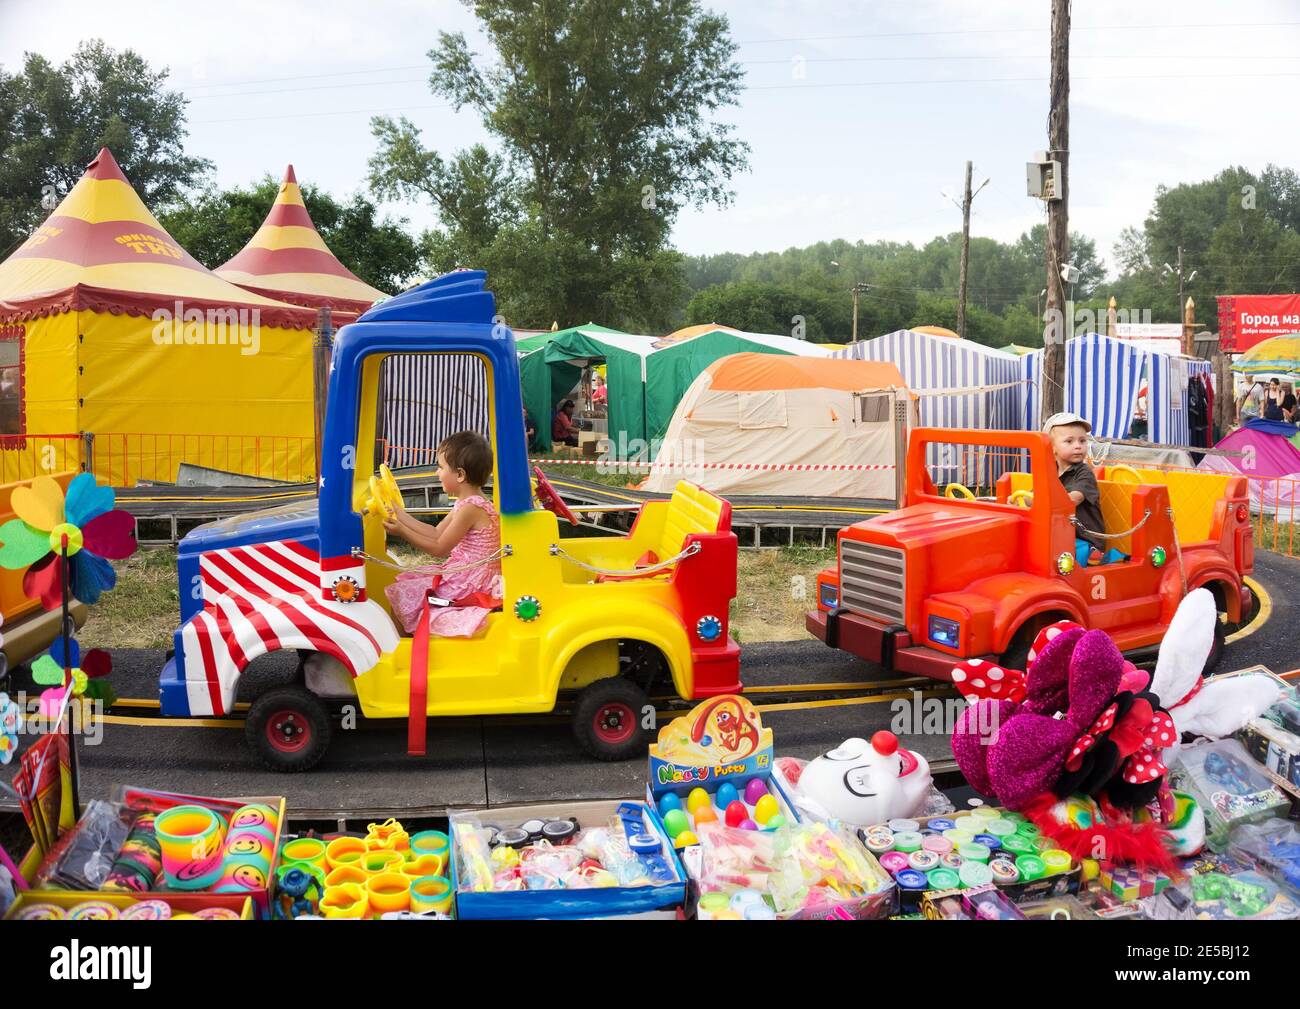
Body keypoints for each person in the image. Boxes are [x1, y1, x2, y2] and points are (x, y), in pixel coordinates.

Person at [382, 431, 503, 637]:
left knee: (401, 595)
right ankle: (407, 644)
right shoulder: (467, 502)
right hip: (463, 574)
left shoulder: (471, 508)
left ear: (460, 475)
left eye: (441, 467)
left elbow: (439, 548)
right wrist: (400, 515)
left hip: (469, 584)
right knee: (405, 587)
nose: (437, 473)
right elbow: (436, 532)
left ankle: (404, 649)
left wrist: (402, 531)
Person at [1044, 412, 1124, 567]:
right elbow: (1034, 494)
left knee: (1062, 559)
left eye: (1082, 440)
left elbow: (1074, 498)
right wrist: (1020, 500)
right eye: (1069, 441)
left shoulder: (1084, 472)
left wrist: (1044, 501)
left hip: (1086, 540)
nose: (1078, 446)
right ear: (1052, 448)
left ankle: (1102, 556)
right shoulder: (1049, 472)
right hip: (1061, 536)